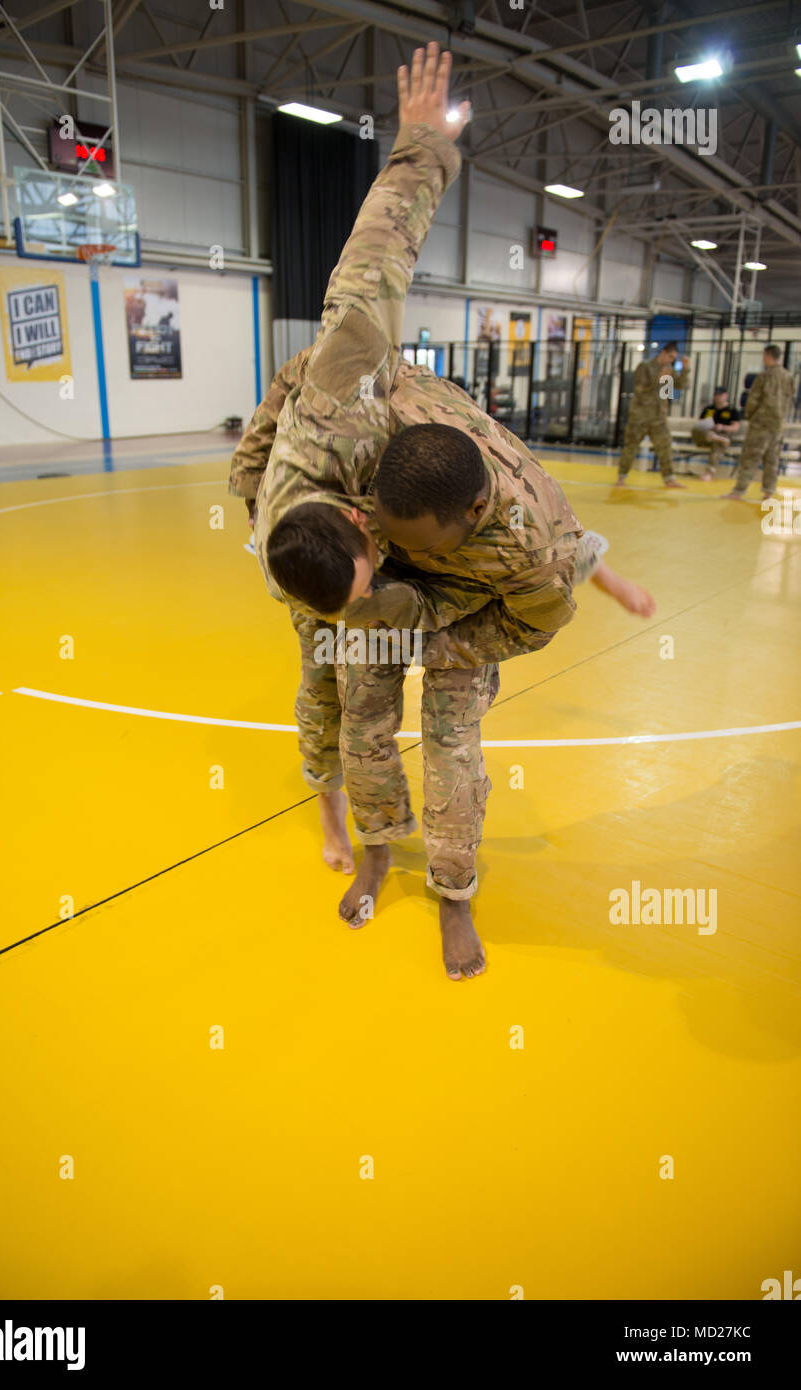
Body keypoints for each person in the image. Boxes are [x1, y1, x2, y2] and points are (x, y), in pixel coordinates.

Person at [233, 43, 654, 980]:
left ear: (365, 525)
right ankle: (379, 846)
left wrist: (421, 149)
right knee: (357, 701)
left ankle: (453, 892)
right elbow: (367, 271)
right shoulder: (298, 513)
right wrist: (358, 633)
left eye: (370, 570)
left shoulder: (512, 537)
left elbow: (370, 270)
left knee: (453, 736)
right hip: (369, 534)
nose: (370, 586)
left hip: (464, 587)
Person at [724, 345, 795, 501]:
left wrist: (749, 416)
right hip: (777, 425)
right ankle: (769, 491)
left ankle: (739, 490)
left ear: (768, 355)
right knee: (772, 458)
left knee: (750, 456)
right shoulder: (788, 377)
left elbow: (753, 399)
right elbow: (789, 399)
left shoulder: (764, 376)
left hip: (761, 423)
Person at [616, 342, 690, 488]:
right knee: (631, 446)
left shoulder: (668, 370)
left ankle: (669, 478)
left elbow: (678, 386)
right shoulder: (645, 366)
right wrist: (658, 379)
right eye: (670, 356)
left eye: (674, 358)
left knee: (665, 446)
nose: (671, 360)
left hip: (658, 417)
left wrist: (686, 370)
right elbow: (640, 389)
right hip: (640, 416)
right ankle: (621, 477)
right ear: (663, 352)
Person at [691, 386, 741, 480]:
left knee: (718, 444)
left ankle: (709, 473)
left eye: (720, 395)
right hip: (705, 435)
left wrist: (723, 427)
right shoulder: (708, 409)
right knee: (696, 431)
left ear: (726, 396)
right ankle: (712, 436)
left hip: (721, 435)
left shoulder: (732, 410)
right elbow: (700, 423)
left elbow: (735, 428)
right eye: (716, 395)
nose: (717, 397)